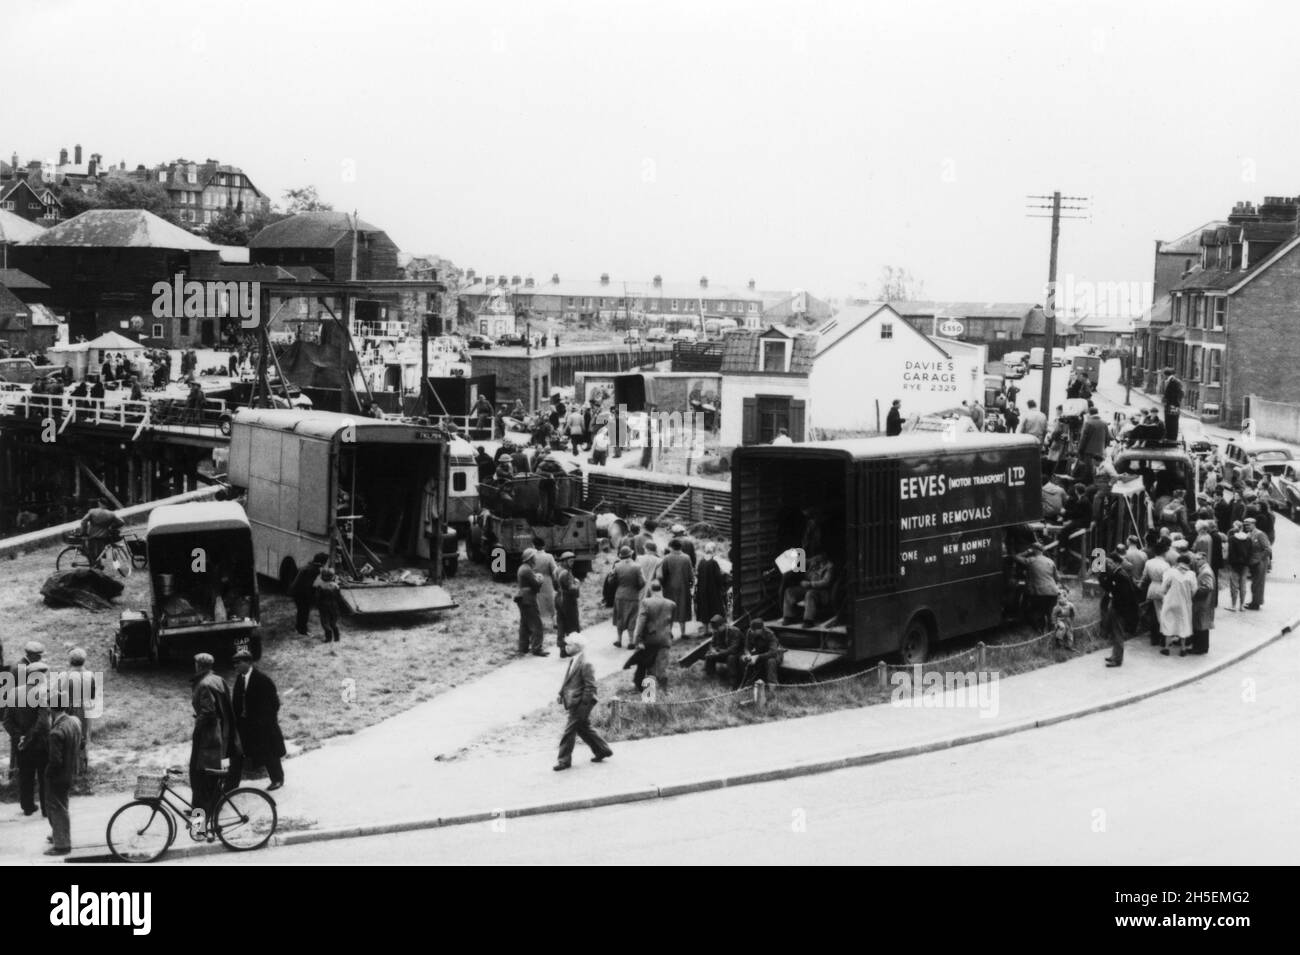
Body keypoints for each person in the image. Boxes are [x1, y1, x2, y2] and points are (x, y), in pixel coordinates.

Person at [190, 653, 241, 815]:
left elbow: (209, 712)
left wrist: (198, 724)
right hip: (219, 734)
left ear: (199, 666)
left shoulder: (204, 684)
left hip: (206, 737)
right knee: (210, 776)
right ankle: (207, 811)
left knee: (199, 777)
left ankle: (200, 823)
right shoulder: (218, 679)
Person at [553, 634, 612, 771]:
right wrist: (561, 694)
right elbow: (568, 680)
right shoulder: (574, 660)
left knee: (569, 731)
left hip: (581, 703)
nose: (566, 647)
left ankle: (564, 760)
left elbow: (591, 686)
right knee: (583, 728)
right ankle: (602, 750)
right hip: (575, 701)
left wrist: (584, 705)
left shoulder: (586, 663)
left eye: (569, 644)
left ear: (578, 647)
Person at [231, 648, 286, 791]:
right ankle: (232, 784)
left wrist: (264, 722)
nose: (235, 666)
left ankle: (277, 779)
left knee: (270, 751)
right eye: (234, 663)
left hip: (263, 725)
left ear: (248, 662)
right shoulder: (240, 679)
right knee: (241, 753)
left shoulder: (262, 679)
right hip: (245, 724)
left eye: (238, 663)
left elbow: (274, 703)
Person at [5, 662, 50, 816]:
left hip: (22, 745)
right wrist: (29, 737)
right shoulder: (42, 694)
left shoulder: (14, 693)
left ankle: (27, 806)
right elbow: (42, 722)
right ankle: (45, 808)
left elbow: (7, 721)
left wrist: (20, 737)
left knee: (25, 776)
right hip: (40, 744)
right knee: (44, 777)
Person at [44, 690, 81, 856]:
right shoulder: (74, 722)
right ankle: (59, 835)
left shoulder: (55, 732)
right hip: (70, 772)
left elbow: (55, 761)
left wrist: (47, 773)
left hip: (58, 776)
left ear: (51, 709)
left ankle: (62, 845)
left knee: (56, 808)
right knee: (62, 805)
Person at [631, 580, 676, 692]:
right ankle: (664, 691)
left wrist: (637, 640)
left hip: (650, 639)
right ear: (662, 589)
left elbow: (641, 622)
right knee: (662, 665)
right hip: (665, 638)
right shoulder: (671, 604)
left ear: (650, 590)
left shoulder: (646, 602)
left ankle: (649, 694)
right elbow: (671, 623)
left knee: (650, 666)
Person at [59, 648, 96, 774]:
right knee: (84, 734)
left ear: (70, 661)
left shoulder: (65, 676)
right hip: (85, 708)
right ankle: (83, 764)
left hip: (70, 709)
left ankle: (71, 766)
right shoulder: (90, 675)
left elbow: (60, 695)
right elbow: (92, 695)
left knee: (70, 735)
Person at [1156, 553, 1196, 655]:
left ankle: (1166, 648)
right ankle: (1183, 649)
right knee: (1183, 623)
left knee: (1168, 621)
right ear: (1188, 563)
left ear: (1178, 562)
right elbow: (1194, 590)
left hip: (1171, 600)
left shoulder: (1171, 572)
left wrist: (1164, 594)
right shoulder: (1191, 574)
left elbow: (1163, 587)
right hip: (1184, 602)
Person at [782, 552, 835, 626]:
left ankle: (808, 620)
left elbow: (826, 582)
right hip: (807, 588)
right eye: (815, 556)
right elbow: (803, 561)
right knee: (789, 591)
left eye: (818, 556)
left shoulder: (829, 566)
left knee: (810, 594)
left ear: (823, 555)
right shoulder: (813, 562)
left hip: (822, 592)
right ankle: (789, 617)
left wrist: (810, 584)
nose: (815, 558)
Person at [1015, 544, 1060, 631]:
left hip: (1039, 593)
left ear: (1033, 550)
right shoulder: (1050, 561)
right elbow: (1057, 578)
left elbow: (1016, 557)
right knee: (1051, 614)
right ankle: (1051, 633)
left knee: (1038, 613)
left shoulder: (1030, 560)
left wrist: (1026, 552)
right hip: (1053, 592)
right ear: (1042, 551)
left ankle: (1040, 632)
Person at [658, 538, 695, 640]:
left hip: (669, 588)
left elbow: (662, 575)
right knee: (682, 608)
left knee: (670, 609)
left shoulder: (666, 558)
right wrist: (691, 585)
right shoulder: (686, 558)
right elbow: (691, 575)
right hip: (683, 587)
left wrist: (663, 585)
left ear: (671, 547)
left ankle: (669, 632)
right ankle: (683, 633)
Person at [515, 548, 548, 656]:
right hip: (528, 598)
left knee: (524, 624)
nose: (535, 558)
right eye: (534, 557)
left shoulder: (522, 568)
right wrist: (540, 579)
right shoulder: (527, 570)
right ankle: (537, 648)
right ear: (530, 559)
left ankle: (523, 648)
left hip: (522, 597)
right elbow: (535, 584)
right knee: (537, 623)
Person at [611, 546, 644, 648]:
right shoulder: (637, 566)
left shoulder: (616, 566)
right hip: (633, 595)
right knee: (632, 617)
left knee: (620, 617)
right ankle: (631, 641)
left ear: (621, 556)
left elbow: (611, 582)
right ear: (631, 554)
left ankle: (619, 640)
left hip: (620, 595)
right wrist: (637, 588)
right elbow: (642, 582)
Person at [739, 617, 784, 687]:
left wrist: (757, 657)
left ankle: (772, 686)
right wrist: (748, 654)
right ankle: (744, 682)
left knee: (770, 662)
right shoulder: (750, 631)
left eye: (754, 630)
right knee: (743, 658)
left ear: (760, 630)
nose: (751, 631)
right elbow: (747, 647)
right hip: (760, 653)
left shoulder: (770, 634)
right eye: (751, 629)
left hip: (774, 655)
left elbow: (773, 652)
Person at [290, 553, 328, 636]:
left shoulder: (309, 565)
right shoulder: (314, 570)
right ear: (322, 562)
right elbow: (308, 585)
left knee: (301, 610)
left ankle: (299, 628)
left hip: (295, 590)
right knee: (304, 611)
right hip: (301, 592)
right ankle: (302, 630)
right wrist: (311, 598)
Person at [1189, 551, 1217, 656]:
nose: (1195, 561)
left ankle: (1199, 648)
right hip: (1204, 603)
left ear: (1204, 559)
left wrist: (1195, 591)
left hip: (1203, 603)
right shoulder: (1205, 569)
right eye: (1195, 559)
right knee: (1202, 625)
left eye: (1198, 559)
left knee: (1201, 626)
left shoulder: (1205, 572)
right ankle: (1202, 647)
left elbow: (1208, 587)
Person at [554, 551, 582, 656]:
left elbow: (554, 586)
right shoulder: (566, 572)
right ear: (565, 562)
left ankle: (562, 649)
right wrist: (577, 584)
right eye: (570, 561)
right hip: (568, 600)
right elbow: (572, 589)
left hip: (558, 598)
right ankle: (571, 648)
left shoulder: (556, 570)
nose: (572, 563)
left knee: (561, 624)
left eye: (573, 561)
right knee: (572, 625)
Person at [530, 538, 558, 635]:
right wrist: (555, 580)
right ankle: (554, 622)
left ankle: (540, 624)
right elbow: (555, 570)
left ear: (534, 545)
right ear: (543, 546)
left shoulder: (532, 557)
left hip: (535, 581)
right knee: (551, 601)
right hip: (547, 581)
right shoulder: (549, 556)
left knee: (538, 602)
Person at [1242, 516, 1271, 610]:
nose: (1246, 527)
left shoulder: (1260, 534)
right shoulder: (1249, 534)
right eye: (1245, 525)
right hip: (1253, 562)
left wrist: (1259, 559)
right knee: (1254, 583)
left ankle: (1256, 604)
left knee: (1258, 583)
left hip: (1260, 562)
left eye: (1248, 525)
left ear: (1254, 524)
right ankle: (1254, 601)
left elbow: (1268, 549)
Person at [694, 543, 727, 625]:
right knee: (714, 609)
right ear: (713, 552)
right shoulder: (714, 563)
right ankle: (714, 628)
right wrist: (722, 586)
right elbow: (718, 577)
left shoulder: (701, 563)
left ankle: (705, 630)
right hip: (713, 591)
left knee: (704, 609)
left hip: (702, 590)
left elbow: (698, 575)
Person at [1225, 520, 1251, 612]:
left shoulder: (1232, 539)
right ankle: (1242, 606)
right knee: (1243, 585)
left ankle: (1233, 605)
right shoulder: (1248, 538)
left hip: (1235, 565)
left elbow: (1231, 552)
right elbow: (1250, 552)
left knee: (1234, 585)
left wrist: (1229, 563)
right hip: (1245, 565)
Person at [315, 567, 342, 643]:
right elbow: (339, 598)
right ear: (333, 576)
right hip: (334, 606)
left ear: (322, 577)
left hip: (324, 606)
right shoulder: (336, 586)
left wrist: (318, 605)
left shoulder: (320, 586)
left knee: (325, 622)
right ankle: (337, 637)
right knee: (333, 622)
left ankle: (328, 638)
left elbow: (317, 597)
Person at [1162, 368, 1183, 440]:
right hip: (1171, 404)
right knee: (1169, 420)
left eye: (1164, 375)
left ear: (1166, 375)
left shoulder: (1174, 382)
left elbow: (1179, 394)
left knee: (1172, 421)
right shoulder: (1171, 381)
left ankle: (1172, 437)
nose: (1163, 376)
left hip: (1172, 405)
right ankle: (1169, 436)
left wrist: (1172, 403)